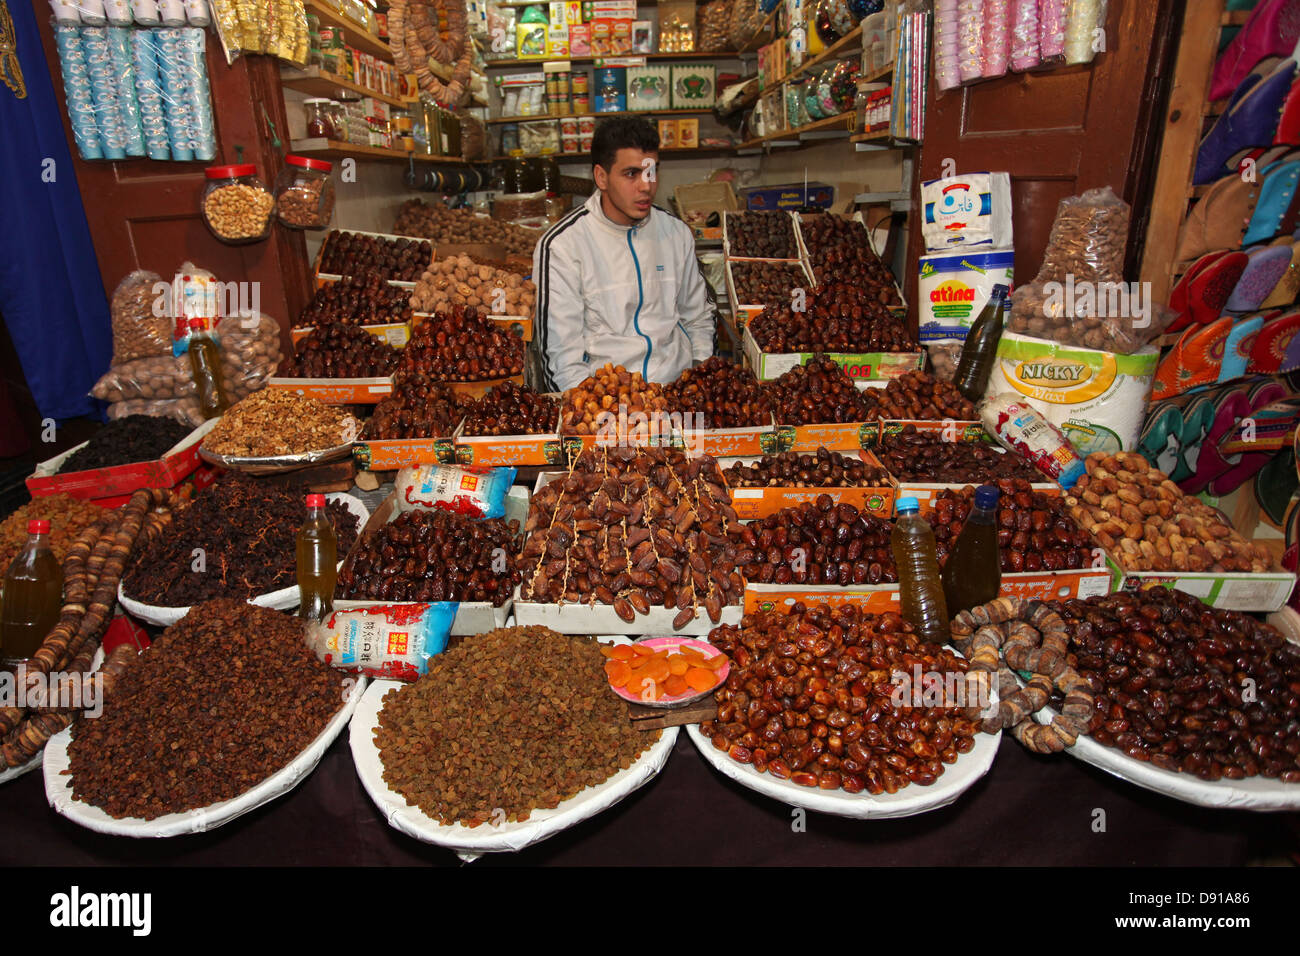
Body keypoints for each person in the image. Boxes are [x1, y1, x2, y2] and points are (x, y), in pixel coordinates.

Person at [532, 116, 716, 392]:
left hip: (675, 393)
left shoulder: (675, 233)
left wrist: (697, 378)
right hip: (604, 404)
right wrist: (593, 411)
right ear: (601, 177)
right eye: (631, 174)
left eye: (652, 171)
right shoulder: (563, 245)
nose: (646, 186)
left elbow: (698, 316)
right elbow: (560, 355)